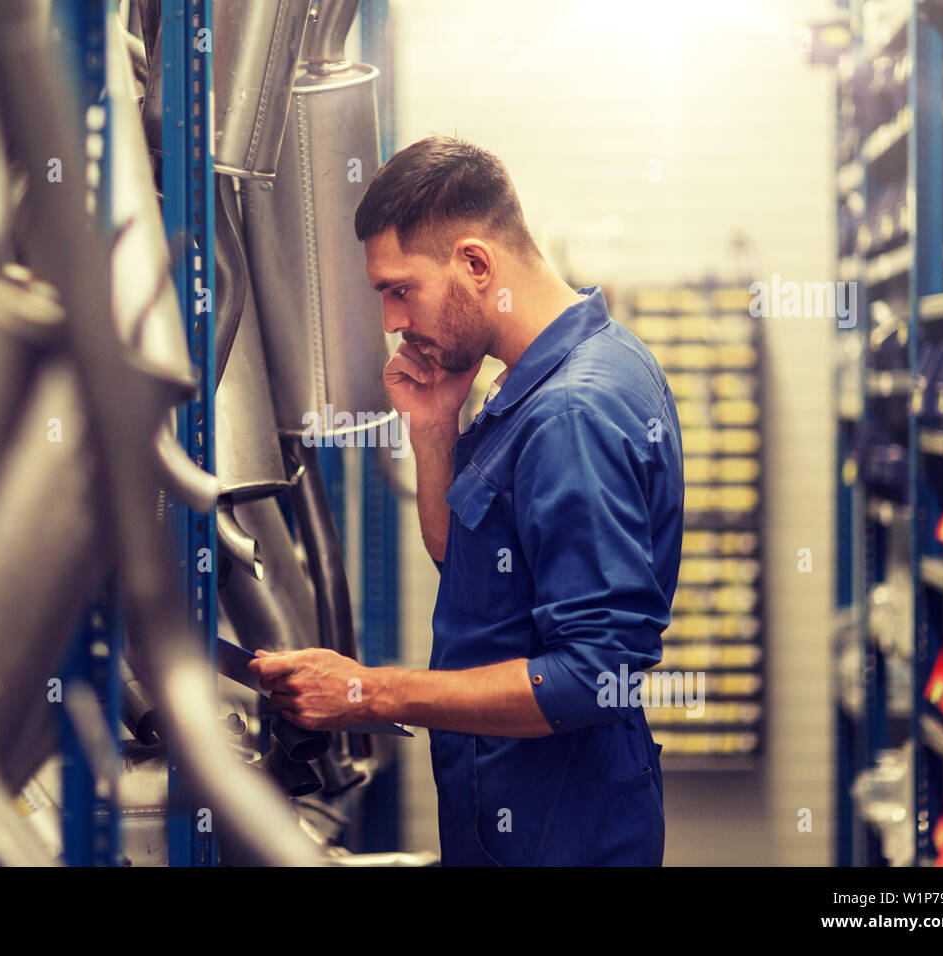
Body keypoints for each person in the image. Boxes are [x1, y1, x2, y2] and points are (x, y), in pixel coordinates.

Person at [247, 134, 683, 866]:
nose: (390, 320)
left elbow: (592, 677)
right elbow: (469, 560)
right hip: (516, 808)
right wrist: (434, 427)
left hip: (561, 829)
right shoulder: (536, 378)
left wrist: (368, 694)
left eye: (399, 289)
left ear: (476, 264)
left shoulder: (572, 413)